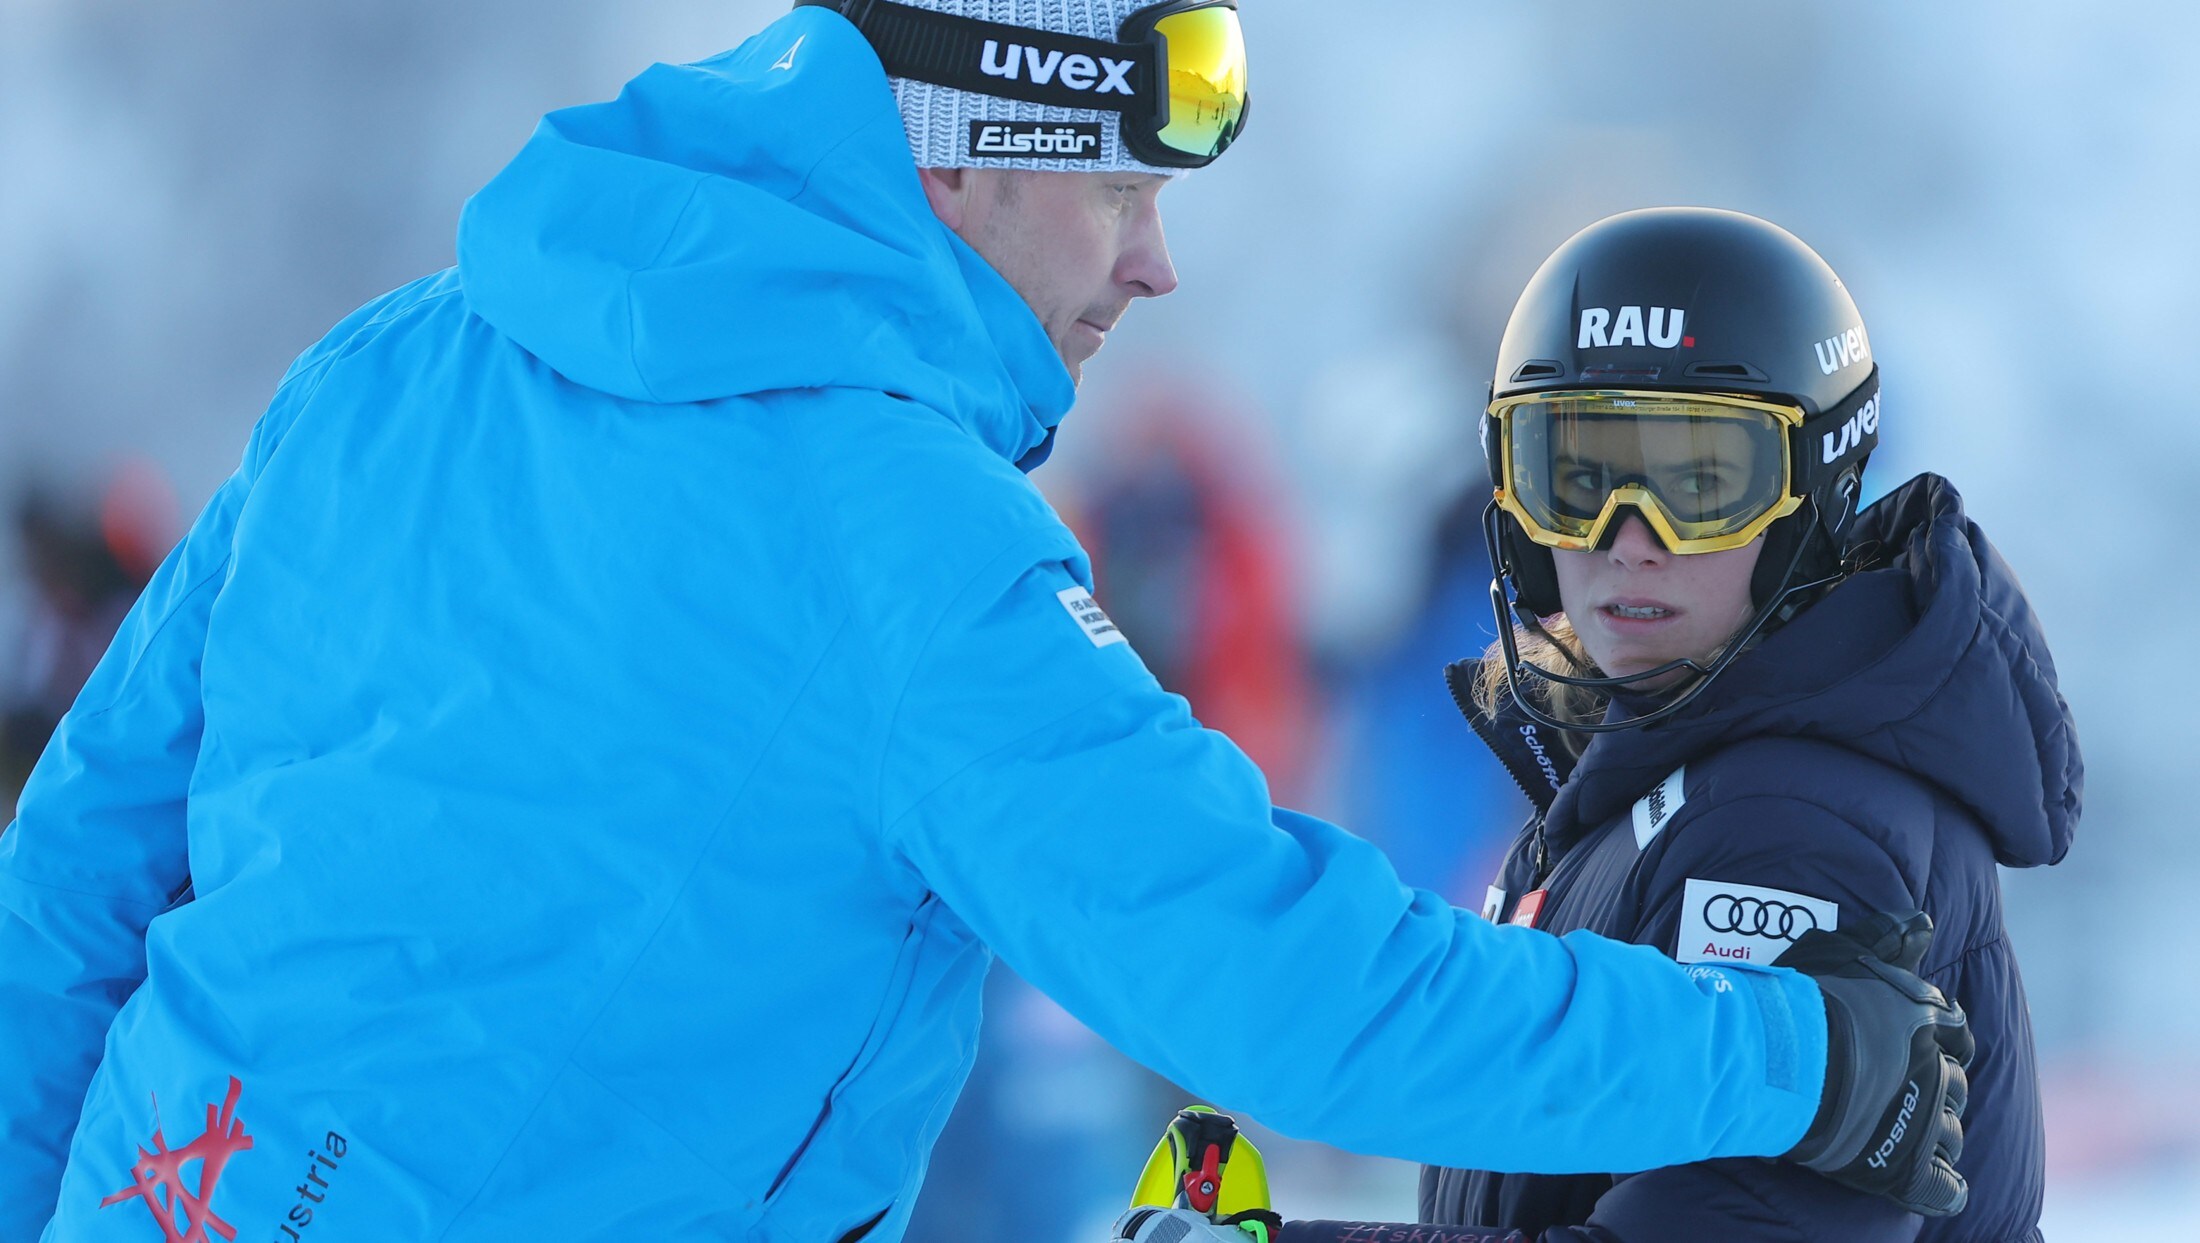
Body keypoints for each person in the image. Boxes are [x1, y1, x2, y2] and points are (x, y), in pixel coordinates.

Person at [0, 4, 1967, 1238]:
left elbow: (70, 877)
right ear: (969, 143)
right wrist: (1789, 1058)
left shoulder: (389, 363)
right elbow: (1291, 993)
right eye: (1121, 183)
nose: (1155, 259)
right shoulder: (898, 546)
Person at [1209, 209, 2074, 1243]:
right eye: (1574, 481)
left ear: (1812, 495)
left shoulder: (1796, 820)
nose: (1628, 543)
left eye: (1700, 486)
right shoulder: (1659, 770)